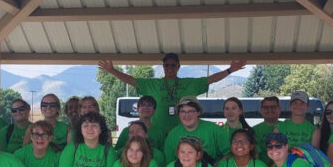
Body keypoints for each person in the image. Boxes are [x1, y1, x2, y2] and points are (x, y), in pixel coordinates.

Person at [98, 54, 245, 135]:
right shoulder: (153, 84)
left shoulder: (189, 83)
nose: (169, 68)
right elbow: (131, 80)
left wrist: (230, 70)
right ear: (163, 67)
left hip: (182, 132)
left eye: (173, 65)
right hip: (157, 132)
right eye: (166, 65)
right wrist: (111, 70)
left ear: (178, 66)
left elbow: (211, 79)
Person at [162, 96, 229, 164]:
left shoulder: (215, 130)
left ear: (198, 112)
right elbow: (169, 162)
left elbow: (229, 153)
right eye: (183, 111)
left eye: (191, 111)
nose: (186, 115)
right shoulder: (172, 135)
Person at [114, 95, 167, 165]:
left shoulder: (160, 132)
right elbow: (119, 152)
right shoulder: (126, 131)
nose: (146, 108)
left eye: (150, 105)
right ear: (137, 109)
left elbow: (162, 154)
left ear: (154, 110)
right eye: (143, 105)